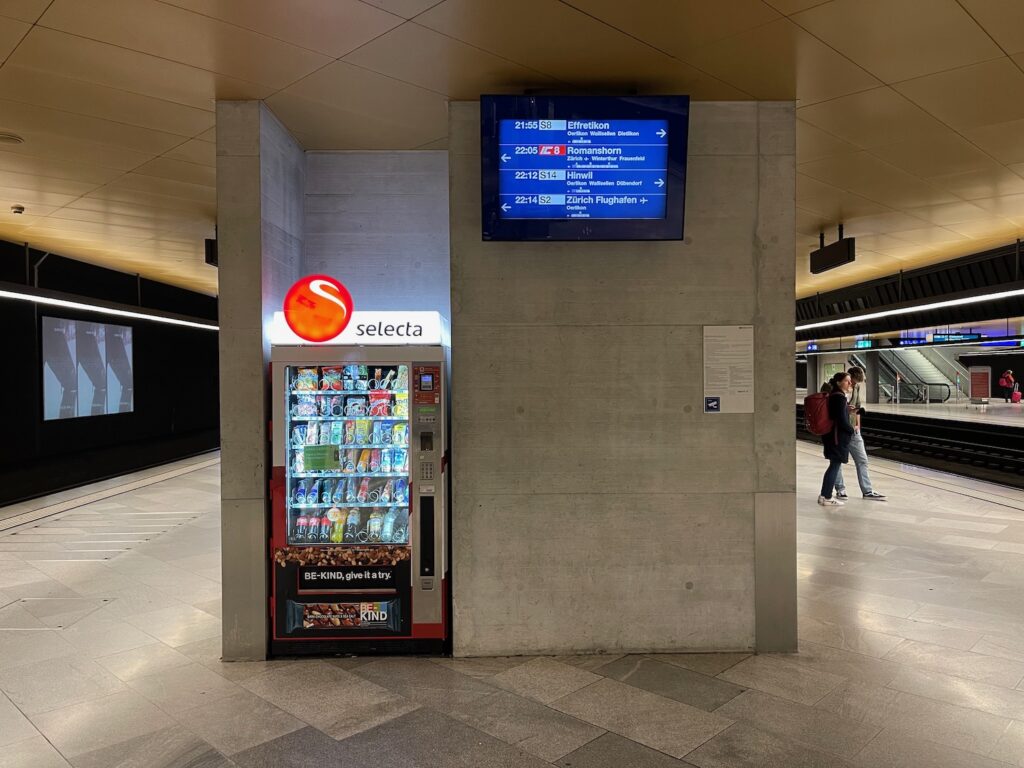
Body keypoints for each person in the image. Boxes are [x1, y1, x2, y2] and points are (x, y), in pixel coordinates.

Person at [835, 367, 886, 501]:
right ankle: (840, 489)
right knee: (837, 461)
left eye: (857, 382)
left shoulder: (856, 388)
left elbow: (857, 406)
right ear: (848, 378)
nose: (854, 384)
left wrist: (858, 426)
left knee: (862, 460)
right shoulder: (836, 390)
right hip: (838, 430)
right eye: (853, 381)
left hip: (853, 430)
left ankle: (867, 491)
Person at [819, 371, 855, 507]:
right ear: (839, 382)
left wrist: (847, 410)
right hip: (837, 438)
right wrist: (851, 429)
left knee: (833, 466)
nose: (850, 383)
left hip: (831, 436)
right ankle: (827, 496)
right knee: (834, 466)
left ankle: (824, 495)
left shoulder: (833, 395)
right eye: (847, 381)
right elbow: (841, 420)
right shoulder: (839, 398)